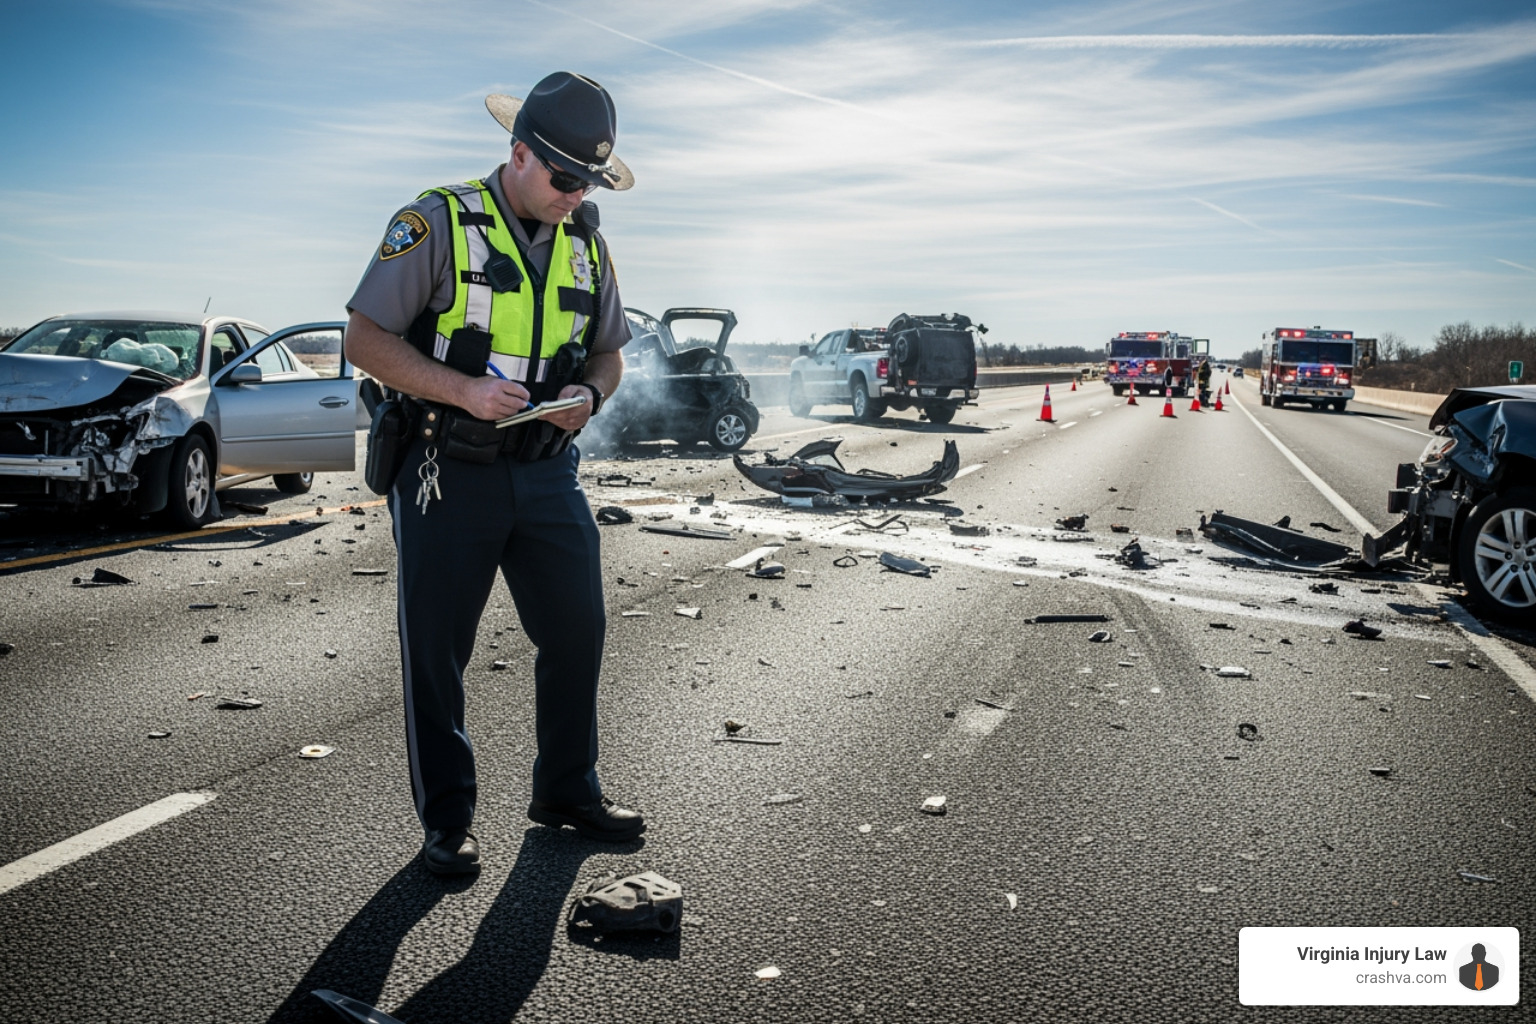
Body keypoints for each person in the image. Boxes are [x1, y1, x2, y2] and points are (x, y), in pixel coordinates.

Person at [345, 71, 643, 877]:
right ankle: (448, 823)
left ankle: (566, 791)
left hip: (548, 471)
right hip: (447, 466)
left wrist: (590, 392)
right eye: (563, 178)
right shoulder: (436, 220)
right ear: (519, 153)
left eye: (590, 182)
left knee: (578, 628)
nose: (576, 195)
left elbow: (611, 352)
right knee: (438, 651)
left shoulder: (587, 241)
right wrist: (463, 390)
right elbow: (365, 339)